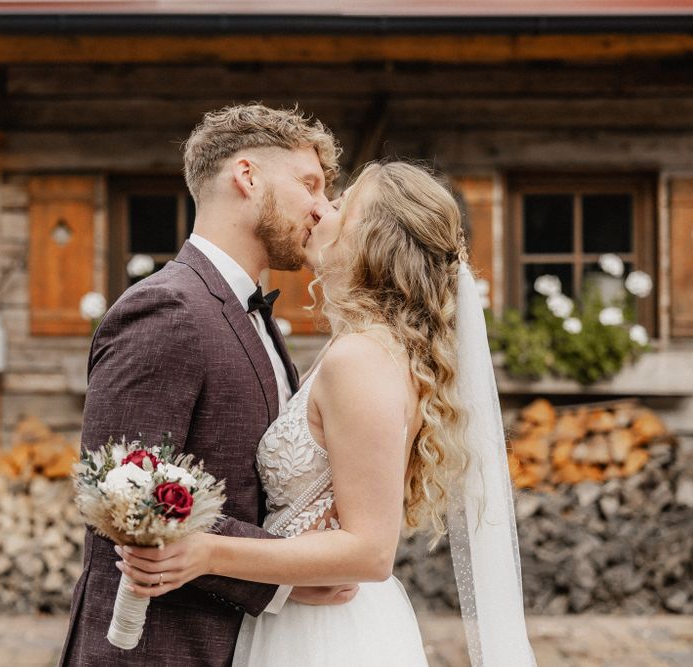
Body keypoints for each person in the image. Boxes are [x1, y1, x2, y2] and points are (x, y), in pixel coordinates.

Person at [116, 161, 537, 666]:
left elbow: (370, 552)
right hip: (299, 614)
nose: (320, 210)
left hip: (325, 634)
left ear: (372, 239)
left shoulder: (361, 358)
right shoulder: (365, 348)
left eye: (340, 204)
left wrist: (207, 552)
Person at [59, 104, 360, 667]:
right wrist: (285, 573)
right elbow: (126, 491)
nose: (323, 208)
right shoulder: (167, 308)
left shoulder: (252, 314)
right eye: (309, 184)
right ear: (247, 176)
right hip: (157, 647)